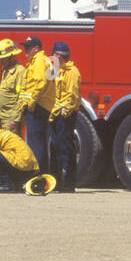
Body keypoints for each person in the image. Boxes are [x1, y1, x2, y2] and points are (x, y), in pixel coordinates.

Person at [17, 36, 56, 171]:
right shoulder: (43, 60)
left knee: (35, 143)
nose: (24, 50)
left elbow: (40, 82)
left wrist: (31, 103)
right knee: (40, 142)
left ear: (36, 49)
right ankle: (43, 174)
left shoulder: (39, 61)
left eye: (27, 48)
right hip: (42, 105)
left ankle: (37, 175)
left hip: (37, 107)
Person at [49, 41, 81, 192]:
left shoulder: (72, 72)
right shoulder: (54, 69)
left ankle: (68, 183)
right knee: (54, 146)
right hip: (54, 114)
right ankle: (55, 181)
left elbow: (72, 95)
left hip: (65, 115)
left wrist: (64, 112)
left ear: (59, 56)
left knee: (65, 147)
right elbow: (48, 88)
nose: (50, 57)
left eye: (53, 54)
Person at [0, 39, 26, 131]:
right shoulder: (6, 71)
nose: (0, 60)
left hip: (10, 119)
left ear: (11, 56)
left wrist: (15, 120)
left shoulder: (19, 71)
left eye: (3, 58)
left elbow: (20, 96)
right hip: (1, 117)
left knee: (10, 144)